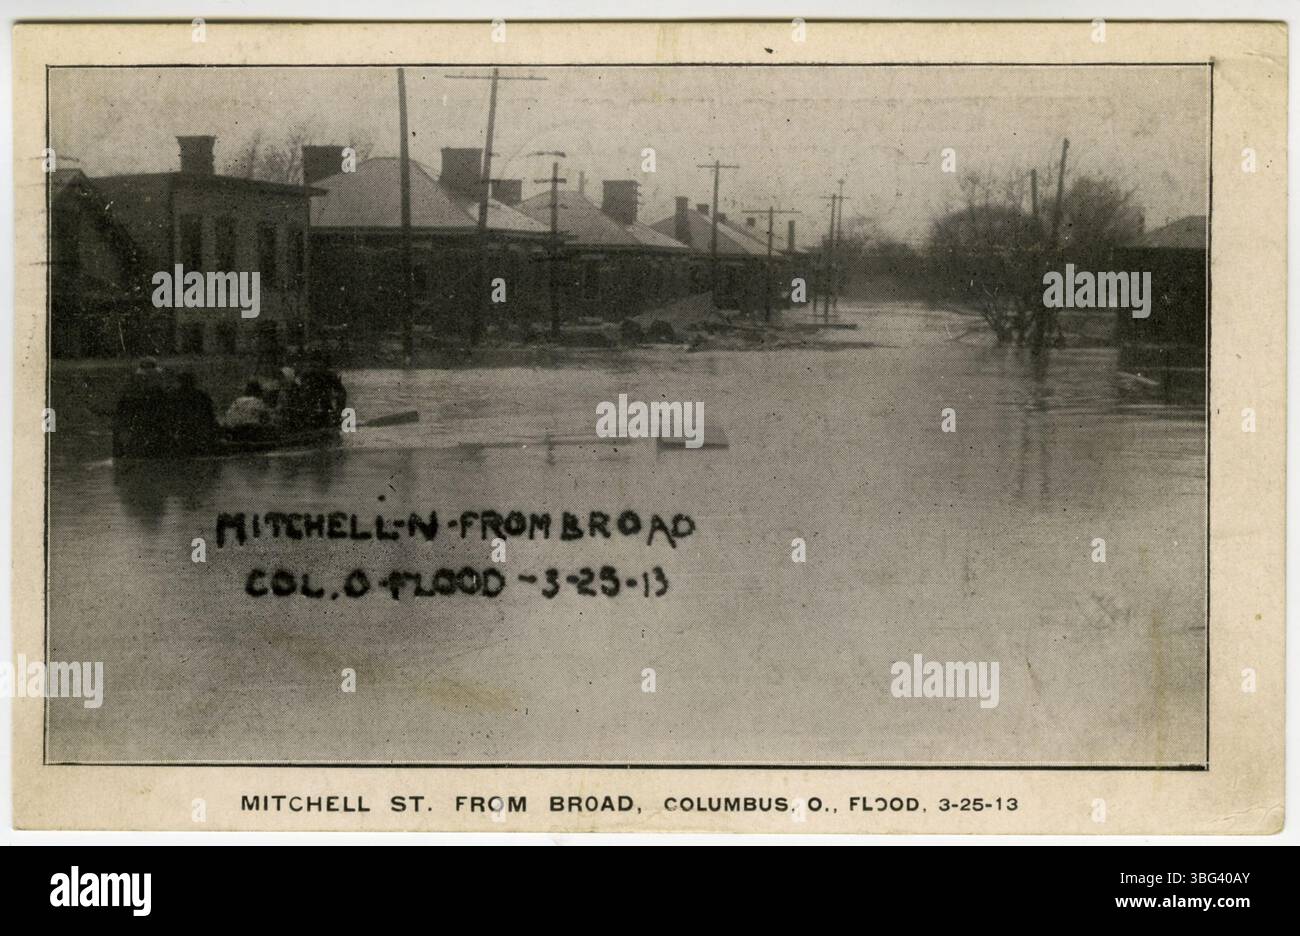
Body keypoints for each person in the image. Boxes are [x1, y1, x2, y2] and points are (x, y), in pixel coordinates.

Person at [167, 370, 218, 455]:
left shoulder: (173, 395)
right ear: (194, 382)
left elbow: (170, 416)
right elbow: (211, 416)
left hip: (182, 431)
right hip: (199, 431)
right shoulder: (202, 395)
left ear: (179, 381)